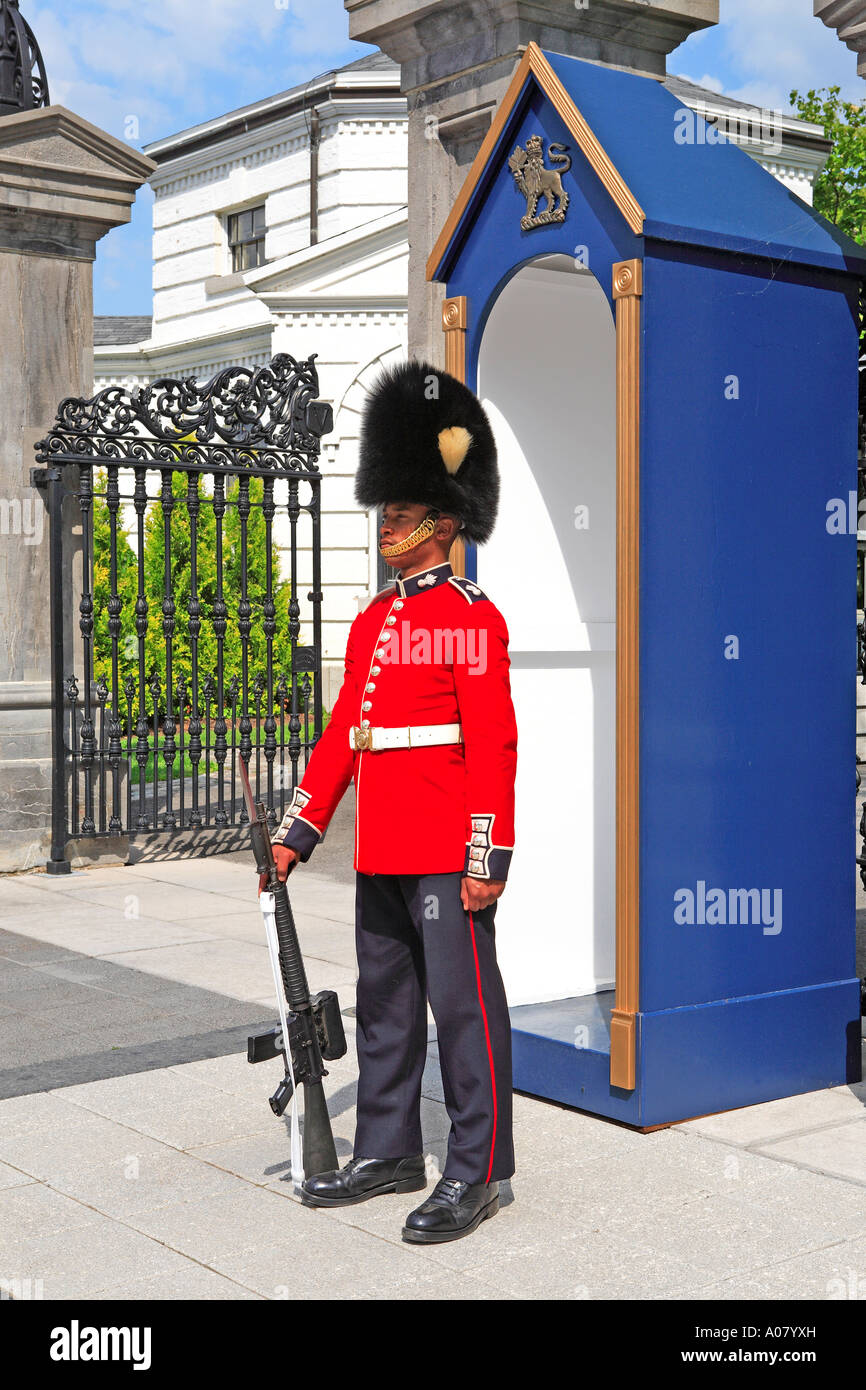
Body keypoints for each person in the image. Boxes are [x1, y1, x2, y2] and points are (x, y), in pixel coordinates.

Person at [271, 358, 518, 1244]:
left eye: (403, 510)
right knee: (383, 1003)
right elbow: (345, 734)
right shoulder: (376, 621)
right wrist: (299, 828)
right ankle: (388, 1150)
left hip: (448, 848)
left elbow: (492, 744)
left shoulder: (471, 616)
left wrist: (486, 855)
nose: (388, 522)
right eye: (387, 508)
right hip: (381, 843)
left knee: (464, 1009)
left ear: (445, 519)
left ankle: (477, 1169)